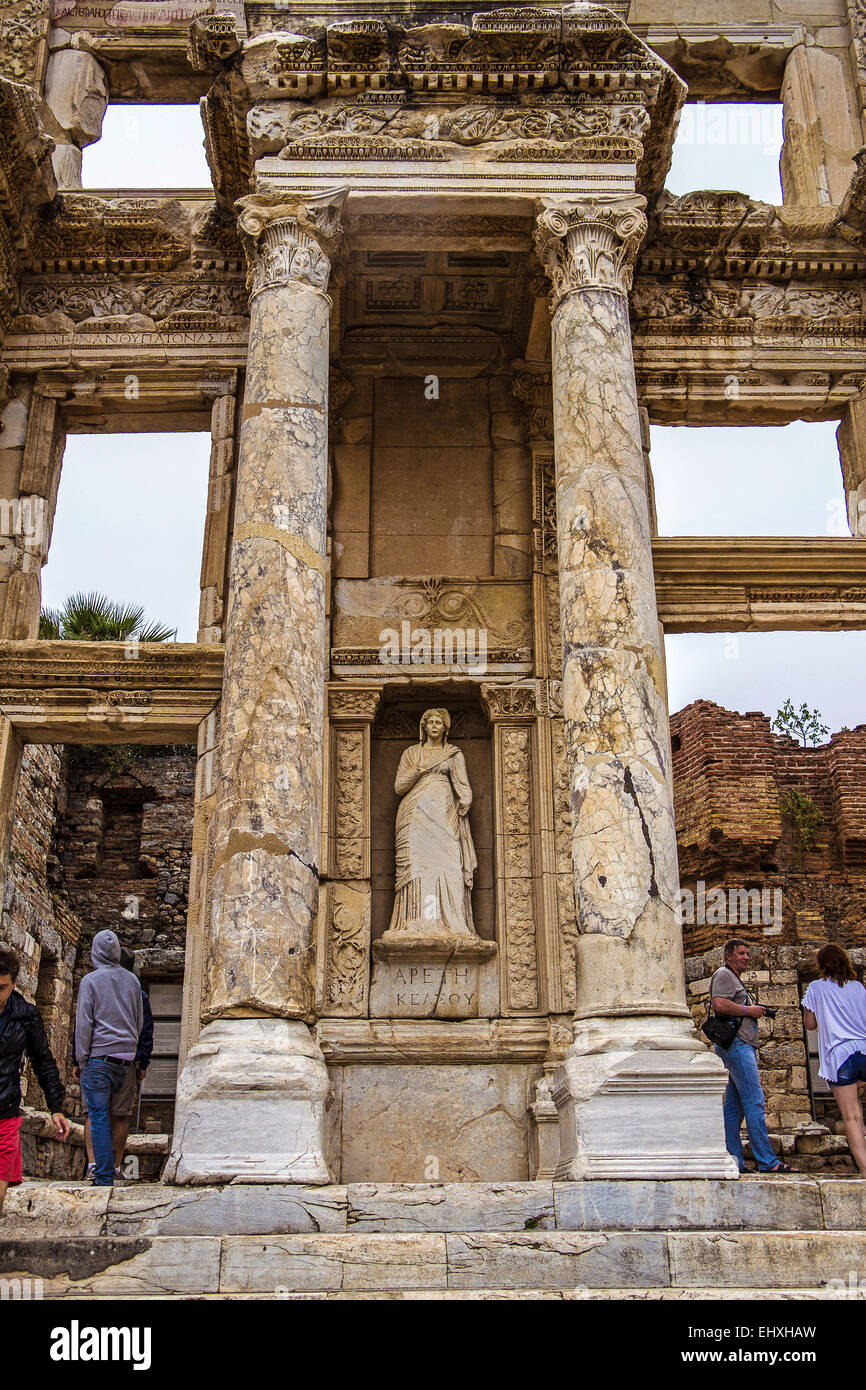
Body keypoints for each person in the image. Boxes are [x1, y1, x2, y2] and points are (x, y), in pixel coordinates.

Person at [389, 707, 477, 936]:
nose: (435, 726)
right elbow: (399, 787)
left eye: (439, 723)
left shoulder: (453, 754)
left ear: (445, 728)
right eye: (432, 722)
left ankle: (453, 921)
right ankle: (422, 920)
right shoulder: (411, 754)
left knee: (449, 864)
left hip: (444, 813)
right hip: (415, 814)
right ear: (424, 727)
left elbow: (463, 786)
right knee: (419, 867)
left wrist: (465, 802)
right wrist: (417, 772)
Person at [711, 937, 792, 1174]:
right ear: (728, 955)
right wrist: (749, 1010)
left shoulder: (734, 978)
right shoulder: (724, 975)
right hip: (737, 1045)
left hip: (740, 1044)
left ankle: (734, 1159)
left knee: (734, 1107)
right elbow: (719, 1004)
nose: (746, 957)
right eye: (741, 953)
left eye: (748, 953)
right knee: (754, 1101)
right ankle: (768, 1161)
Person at [0, 943, 69, 1217]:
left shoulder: (26, 1016)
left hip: (5, 1110)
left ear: (14, 983)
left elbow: (43, 1061)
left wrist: (57, 1107)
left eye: (2, 987)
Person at [72, 930, 143, 1187]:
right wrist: (132, 1053)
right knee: (120, 1114)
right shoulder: (133, 982)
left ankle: (102, 1175)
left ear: (95, 952)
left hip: (99, 1057)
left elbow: (84, 1024)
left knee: (98, 1114)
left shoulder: (90, 981)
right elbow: (139, 1021)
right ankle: (114, 1168)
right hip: (126, 1059)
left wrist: (81, 1060)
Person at [802, 944, 866, 1179]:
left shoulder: (816, 988)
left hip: (841, 1056)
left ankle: (865, 1169)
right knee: (858, 1108)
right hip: (864, 1049)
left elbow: (810, 1024)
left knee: (851, 1116)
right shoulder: (858, 987)